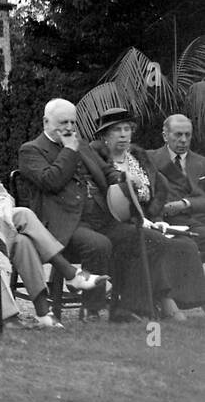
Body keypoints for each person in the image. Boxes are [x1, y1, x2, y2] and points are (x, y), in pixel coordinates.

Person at [0, 111, 108, 328]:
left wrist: (2, 202)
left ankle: (42, 313)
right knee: (24, 214)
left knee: (24, 241)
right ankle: (67, 273)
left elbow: (6, 196)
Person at [87, 106, 205, 321]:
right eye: (116, 130)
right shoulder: (96, 160)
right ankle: (145, 305)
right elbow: (101, 199)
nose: (123, 135)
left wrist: (156, 220)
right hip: (109, 223)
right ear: (104, 135)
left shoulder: (139, 158)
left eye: (127, 129)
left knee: (184, 243)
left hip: (145, 221)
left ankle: (177, 301)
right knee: (154, 241)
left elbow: (156, 194)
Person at [18, 99, 123, 325]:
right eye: (62, 122)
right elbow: (51, 181)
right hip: (62, 225)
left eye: (72, 122)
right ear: (46, 122)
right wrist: (68, 150)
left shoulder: (81, 144)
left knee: (134, 235)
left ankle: (133, 306)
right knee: (99, 244)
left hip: (99, 216)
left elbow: (106, 171)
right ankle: (93, 311)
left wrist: (121, 181)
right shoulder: (31, 150)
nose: (68, 128)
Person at [148, 114, 205, 262]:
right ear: (165, 136)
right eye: (178, 135)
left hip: (197, 220)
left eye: (188, 135)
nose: (184, 140)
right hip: (165, 222)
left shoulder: (202, 163)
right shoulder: (149, 159)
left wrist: (185, 204)